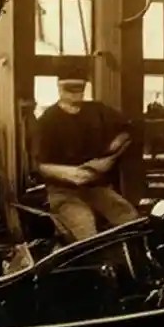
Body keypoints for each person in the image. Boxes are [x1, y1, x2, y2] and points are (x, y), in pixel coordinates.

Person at [34, 58, 140, 240]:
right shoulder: (48, 121)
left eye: (80, 89)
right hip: (64, 192)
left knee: (130, 219)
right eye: (71, 89)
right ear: (60, 88)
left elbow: (129, 130)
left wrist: (111, 152)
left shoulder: (97, 111)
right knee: (86, 230)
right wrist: (73, 174)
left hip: (96, 187)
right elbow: (40, 165)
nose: (76, 95)